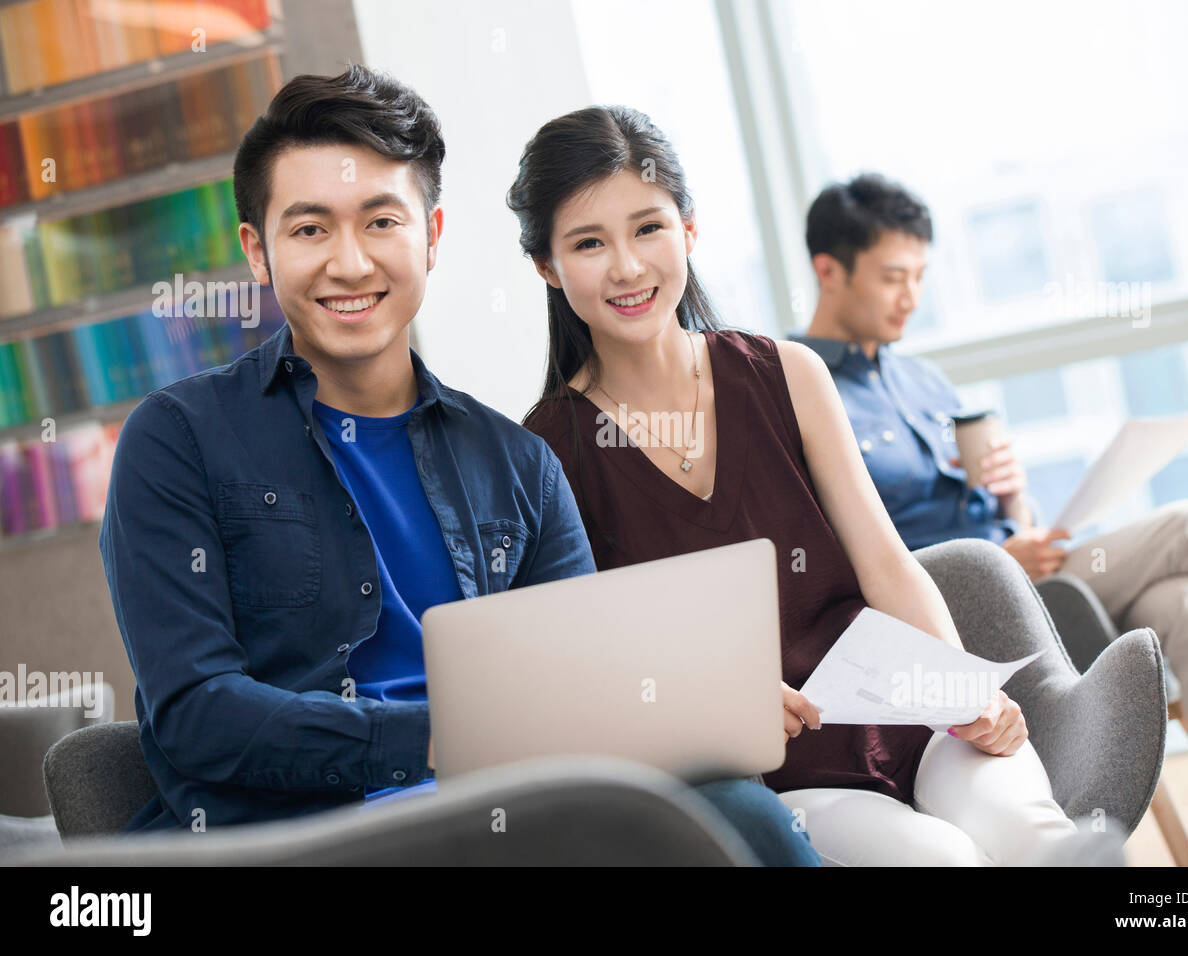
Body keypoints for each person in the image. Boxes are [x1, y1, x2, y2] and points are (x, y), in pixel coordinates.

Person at [98, 64, 818, 866]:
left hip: (512, 825)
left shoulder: (520, 465)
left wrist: (693, 706)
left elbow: (584, 693)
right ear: (257, 254)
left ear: (432, 237)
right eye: (309, 230)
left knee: (740, 819)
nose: (349, 263)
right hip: (300, 840)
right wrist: (446, 737)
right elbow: (197, 712)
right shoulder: (177, 439)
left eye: (381, 222)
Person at [513, 105, 1114, 866]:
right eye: (589, 243)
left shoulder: (787, 375)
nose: (628, 267)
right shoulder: (545, 455)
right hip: (779, 782)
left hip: (912, 717)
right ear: (545, 265)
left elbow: (887, 564)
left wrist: (966, 693)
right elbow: (599, 678)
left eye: (648, 228)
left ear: (688, 231)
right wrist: (716, 702)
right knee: (943, 860)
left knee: (1034, 838)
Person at [791, 171, 1188, 864]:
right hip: (970, 613)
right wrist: (1000, 558)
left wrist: (1012, 502)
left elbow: (1002, 516)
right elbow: (852, 559)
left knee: (1187, 603)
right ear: (830, 271)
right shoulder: (800, 391)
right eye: (891, 277)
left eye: (919, 276)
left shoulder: (922, 381)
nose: (911, 296)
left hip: (1038, 583)